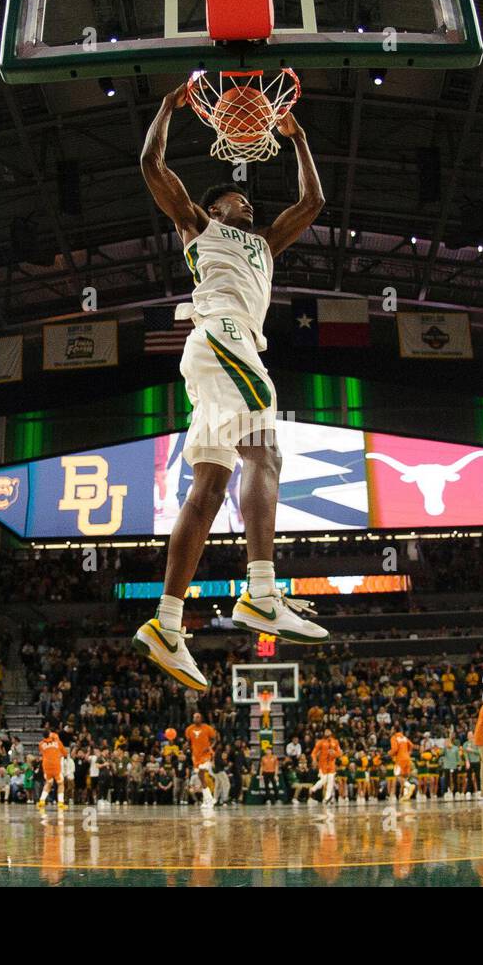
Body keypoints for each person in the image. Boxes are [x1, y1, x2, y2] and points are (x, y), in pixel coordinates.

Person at [134, 82, 328, 691]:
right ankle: (263, 591)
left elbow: (313, 201)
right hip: (223, 336)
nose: (246, 204)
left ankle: (166, 624)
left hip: (222, 349)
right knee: (264, 450)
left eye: (248, 200)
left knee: (212, 484)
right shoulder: (198, 227)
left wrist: (297, 139)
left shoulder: (265, 245)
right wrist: (169, 107)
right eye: (236, 199)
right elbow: (151, 165)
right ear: (213, 209)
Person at [184, 712, 219, 809]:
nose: (196, 718)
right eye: (194, 717)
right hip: (196, 757)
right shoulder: (189, 729)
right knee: (201, 777)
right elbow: (188, 742)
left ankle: (209, 799)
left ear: (201, 718)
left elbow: (215, 739)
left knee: (202, 773)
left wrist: (209, 747)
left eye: (198, 717)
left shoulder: (207, 728)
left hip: (206, 755)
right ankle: (209, 799)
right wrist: (185, 746)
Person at [37, 724, 67, 810]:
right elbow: (65, 753)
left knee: (48, 783)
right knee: (60, 783)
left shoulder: (41, 744)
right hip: (55, 765)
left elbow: (44, 749)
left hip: (46, 766)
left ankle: (41, 801)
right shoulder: (57, 742)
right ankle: (60, 803)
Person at [309, 729, 343, 806]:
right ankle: (313, 789)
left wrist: (335, 753)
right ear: (324, 733)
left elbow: (339, 753)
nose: (327, 732)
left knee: (331, 781)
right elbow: (313, 753)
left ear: (331, 732)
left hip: (331, 764)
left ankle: (327, 798)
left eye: (328, 731)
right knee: (324, 780)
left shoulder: (335, 742)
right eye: (326, 731)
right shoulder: (320, 742)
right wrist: (314, 760)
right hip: (322, 764)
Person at [389, 728, 417, 801]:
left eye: (391, 729)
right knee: (404, 778)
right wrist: (408, 753)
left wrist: (390, 753)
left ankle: (410, 786)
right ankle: (405, 795)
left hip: (400, 759)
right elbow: (412, 745)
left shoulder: (394, 737)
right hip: (407, 759)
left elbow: (395, 749)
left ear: (394, 731)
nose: (390, 731)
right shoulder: (404, 737)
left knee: (398, 776)